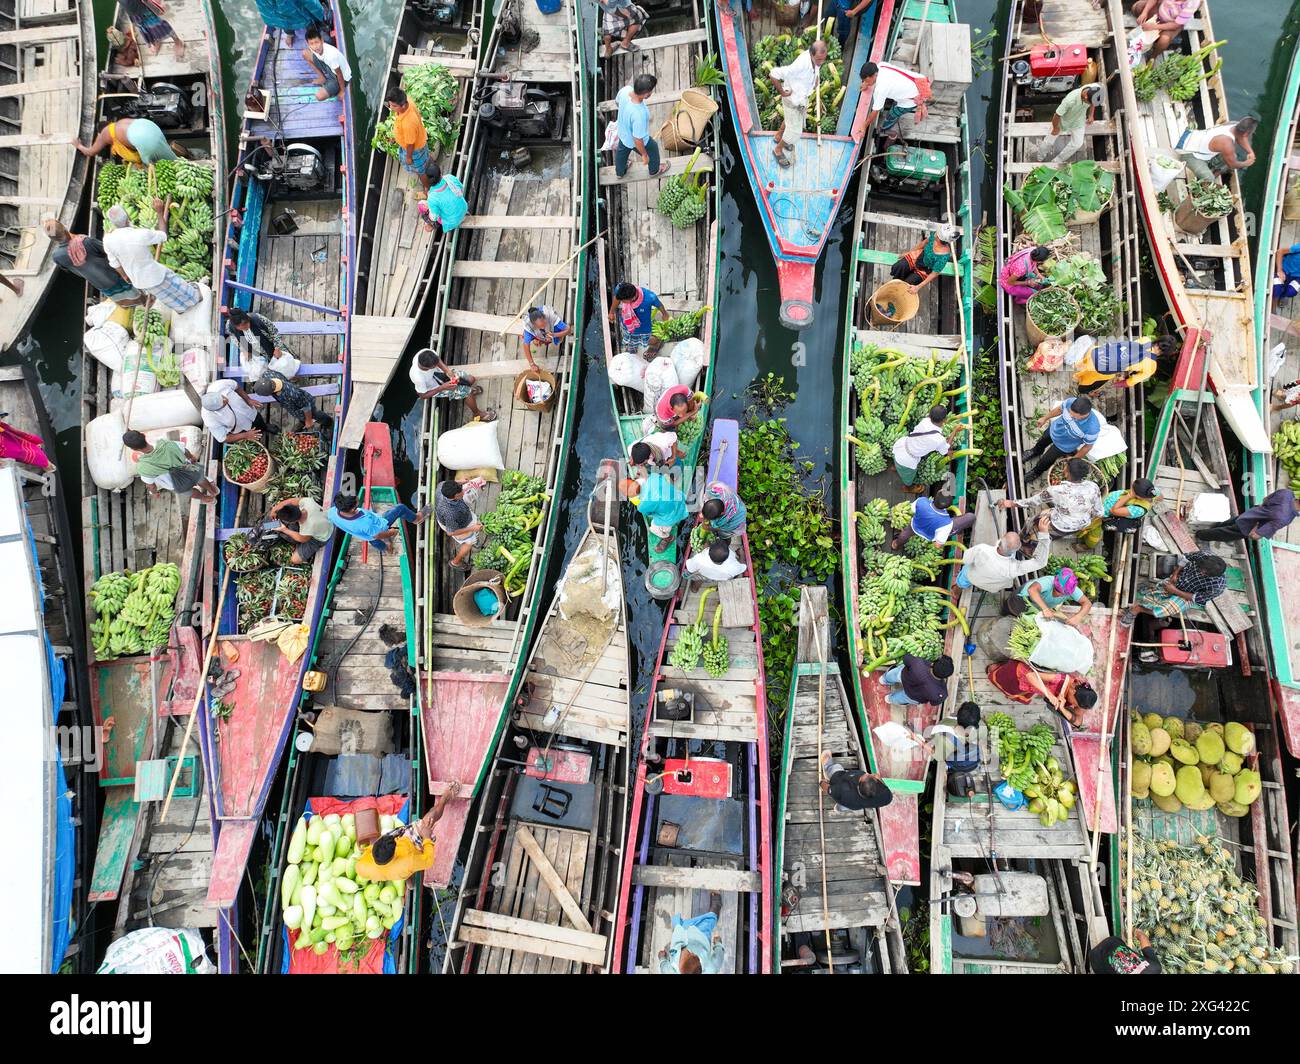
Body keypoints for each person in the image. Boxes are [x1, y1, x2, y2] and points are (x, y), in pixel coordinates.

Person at [102, 203, 202, 313]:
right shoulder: (140, 234)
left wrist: (126, 276)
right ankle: (195, 297)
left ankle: (181, 308)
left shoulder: (107, 240)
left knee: (165, 296)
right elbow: (163, 235)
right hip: (155, 273)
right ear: (128, 218)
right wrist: (159, 212)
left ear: (113, 223)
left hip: (139, 281)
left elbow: (115, 264)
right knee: (175, 285)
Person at [355, 782, 461, 882]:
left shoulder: (362, 868)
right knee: (429, 820)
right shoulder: (409, 861)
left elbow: (368, 852)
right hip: (411, 845)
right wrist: (426, 837)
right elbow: (428, 861)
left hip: (397, 872)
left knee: (403, 872)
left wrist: (367, 848)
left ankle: (408, 879)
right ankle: (444, 799)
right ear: (393, 854)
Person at [42, 216, 144, 305]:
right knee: (133, 292)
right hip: (115, 275)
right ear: (64, 229)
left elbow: (67, 269)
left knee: (119, 299)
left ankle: (131, 304)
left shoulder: (57, 257)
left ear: (53, 239)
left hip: (98, 282)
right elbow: (108, 251)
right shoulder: (86, 242)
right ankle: (144, 301)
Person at [1120, 550, 1227, 627]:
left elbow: (1195, 598)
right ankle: (1152, 590)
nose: (1201, 572)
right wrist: (1175, 574)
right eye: (1201, 569)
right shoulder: (1204, 556)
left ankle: (1137, 609)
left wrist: (1174, 591)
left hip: (1187, 596)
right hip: (1180, 579)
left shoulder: (1217, 587)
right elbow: (1185, 558)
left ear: (1214, 576)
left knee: (1163, 610)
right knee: (1160, 588)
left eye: (1205, 574)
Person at [999, 458, 1102, 537]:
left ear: (1067, 473)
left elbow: (1032, 502)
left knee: (1035, 527)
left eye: (1065, 466)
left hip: (1059, 524)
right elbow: (1099, 512)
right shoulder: (1093, 486)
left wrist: (1011, 503)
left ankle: (1025, 540)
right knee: (1049, 520)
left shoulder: (1056, 490)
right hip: (1080, 524)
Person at [985, 659, 1097, 726]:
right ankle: (1000, 667)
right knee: (1002, 677)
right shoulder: (1061, 679)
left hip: (1036, 687)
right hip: (1026, 674)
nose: (1074, 706)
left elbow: (1077, 722)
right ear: (1073, 690)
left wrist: (1062, 708)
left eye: (1076, 706)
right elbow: (1030, 676)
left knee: (1018, 693)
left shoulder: (1082, 699)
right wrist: (1050, 696)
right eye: (1075, 703)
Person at [770, 39, 828, 168]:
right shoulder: (801, 65)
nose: (821, 62)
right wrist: (782, 92)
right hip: (792, 99)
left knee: (790, 120)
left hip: (801, 98)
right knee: (795, 131)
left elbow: (815, 69)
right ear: (812, 54)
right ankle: (778, 150)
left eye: (823, 59)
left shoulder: (815, 61)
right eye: (819, 60)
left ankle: (779, 135)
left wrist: (815, 79)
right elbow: (774, 74)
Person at [956, 516, 1052, 592]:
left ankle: (957, 590)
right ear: (1018, 548)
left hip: (973, 578)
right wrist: (1044, 535)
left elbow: (966, 559)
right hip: (992, 587)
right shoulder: (1013, 568)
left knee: (965, 571)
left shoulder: (982, 550)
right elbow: (1040, 562)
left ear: (1000, 541)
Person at [123, 430, 218, 501]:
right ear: (143, 435)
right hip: (187, 467)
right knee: (200, 478)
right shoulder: (165, 443)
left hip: (173, 482)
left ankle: (205, 498)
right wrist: (191, 458)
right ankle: (213, 491)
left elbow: (151, 486)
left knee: (189, 492)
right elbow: (185, 451)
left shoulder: (143, 468)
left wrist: (154, 493)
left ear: (133, 449)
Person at [327, 491, 432, 555]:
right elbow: (377, 534)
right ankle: (416, 518)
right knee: (400, 508)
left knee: (377, 543)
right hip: (379, 527)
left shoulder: (332, 512)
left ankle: (388, 550)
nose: (358, 498)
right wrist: (391, 532)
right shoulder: (364, 523)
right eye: (357, 501)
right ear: (352, 509)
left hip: (367, 536)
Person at [1024, 395, 1100, 482]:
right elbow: (1059, 410)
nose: (1070, 417)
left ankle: (1036, 471)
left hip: (1064, 445)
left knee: (1047, 459)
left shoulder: (1092, 428)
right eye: (1069, 414)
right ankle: (1035, 451)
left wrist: (1073, 459)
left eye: (1074, 417)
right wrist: (1045, 418)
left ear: (1084, 415)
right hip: (1055, 429)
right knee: (1042, 441)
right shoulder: (1070, 402)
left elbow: (1087, 447)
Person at [1074, 335, 1180, 394]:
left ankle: (1077, 373)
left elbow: (1128, 353)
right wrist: (1114, 385)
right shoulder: (1152, 367)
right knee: (1093, 381)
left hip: (1097, 352)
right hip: (1101, 368)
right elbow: (1130, 382)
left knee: (1087, 366)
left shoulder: (1145, 339)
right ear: (1166, 354)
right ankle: (1080, 389)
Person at [893, 402, 962, 493]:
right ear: (944, 420)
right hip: (907, 460)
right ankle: (907, 488)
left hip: (901, 446)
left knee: (898, 462)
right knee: (908, 478)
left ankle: (896, 467)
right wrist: (954, 431)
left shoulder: (925, 421)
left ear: (930, 415)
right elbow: (945, 449)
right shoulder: (938, 439)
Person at [409, 348, 494, 421]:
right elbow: (422, 396)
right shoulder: (417, 377)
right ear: (428, 368)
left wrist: (447, 371)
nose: (437, 365)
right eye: (435, 366)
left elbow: (438, 360)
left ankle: (465, 390)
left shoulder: (426, 353)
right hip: (436, 388)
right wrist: (442, 387)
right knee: (468, 393)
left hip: (440, 374)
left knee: (471, 379)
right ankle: (477, 414)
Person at [861, 58, 931, 144]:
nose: (865, 82)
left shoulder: (881, 89)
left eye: (866, 80)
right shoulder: (881, 65)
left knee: (892, 115)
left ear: (874, 75)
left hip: (912, 100)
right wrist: (866, 83)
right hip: (919, 81)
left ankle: (885, 127)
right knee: (894, 99)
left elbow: (875, 110)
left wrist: (864, 126)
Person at [1196, 488, 1300, 544]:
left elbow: (1265, 500)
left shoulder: (1287, 493)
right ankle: (1200, 535)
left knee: (1227, 523)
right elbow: (1254, 535)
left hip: (1249, 514)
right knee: (1223, 534)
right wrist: (1257, 526)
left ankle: (1211, 528)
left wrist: (1261, 512)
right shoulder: (1284, 518)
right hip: (1246, 528)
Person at [614, 73, 668, 179]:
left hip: (622, 132)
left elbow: (617, 102)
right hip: (634, 140)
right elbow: (638, 139)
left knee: (621, 153)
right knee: (653, 148)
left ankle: (620, 172)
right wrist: (644, 155)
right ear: (646, 94)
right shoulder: (639, 114)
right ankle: (654, 170)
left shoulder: (626, 90)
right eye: (651, 91)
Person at [1078, 478, 1158, 548]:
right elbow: (1160, 496)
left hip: (1103, 515)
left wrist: (1129, 495)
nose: (1131, 487)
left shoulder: (1138, 509)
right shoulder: (1151, 491)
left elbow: (1113, 511)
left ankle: (1088, 546)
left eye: (1132, 489)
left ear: (1139, 497)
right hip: (1103, 503)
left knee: (1093, 531)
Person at [658, 892, 726, 974]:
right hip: (701, 936)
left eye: (690, 953)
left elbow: (665, 968)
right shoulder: (709, 970)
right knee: (709, 920)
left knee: (677, 923)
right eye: (696, 956)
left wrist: (662, 959)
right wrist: (718, 944)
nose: (693, 952)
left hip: (680, 937)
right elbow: (718, 959)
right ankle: (716, 905)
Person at [1175, 116, 1256, 183]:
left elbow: (1241, 138)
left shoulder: (1233, 124)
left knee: (1232, 156)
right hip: (1188, 153)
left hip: (1191, 139)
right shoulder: (1227, 144)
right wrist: (1246, 163)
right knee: (1210, 179)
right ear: (1246, 133)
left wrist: (1250, 152)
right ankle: (1209, 175)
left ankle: (1212, 170)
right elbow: (1232, 165)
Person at [1039, 84, 1101, 165]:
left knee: (1077, 144)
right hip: (1063, 123)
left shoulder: (1095, 88)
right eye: (1089, 103)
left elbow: (1093, 103)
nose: (1090, 104)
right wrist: (1055, 128)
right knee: (1048, 142)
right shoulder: (1070, 100)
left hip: (1078, 122)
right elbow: (1057, 114)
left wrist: (1091, 115)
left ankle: (1057, 161)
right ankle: (1039, 158)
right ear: (1085, 97)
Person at [891, 492, 975, 551]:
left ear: (934, 498)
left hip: (915, 526)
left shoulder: (921, 501)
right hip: (929, 536)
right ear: (948, 506)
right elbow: (938, 545)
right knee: (970, 517)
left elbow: (912, 510)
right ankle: (959, 531)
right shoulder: (946, 523)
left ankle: (896, 544)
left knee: (905, 534)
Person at [384, 87, 431, 191]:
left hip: (415, 149)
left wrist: (409, 157)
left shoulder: (409, 123)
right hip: (419, 137)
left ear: (403, 105)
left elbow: (410, 144)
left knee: (421, 171)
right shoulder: (407, 101)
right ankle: (428, 161)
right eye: (390, 104)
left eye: (394, 106)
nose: (391, 107)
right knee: (425, 160)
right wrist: (396, 137)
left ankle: (428, 188)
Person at [890, 224, 959, 295]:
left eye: (938, 236)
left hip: (925, 270)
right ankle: (895, 281)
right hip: (919, 256)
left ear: (942, 240)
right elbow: (924, 243)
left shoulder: (943, 257)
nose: (935, 235)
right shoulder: (935, 235)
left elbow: (934, 273)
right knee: (900, 266)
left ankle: (899, 290)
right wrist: (908, 253)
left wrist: (918, 287)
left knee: (908, 285)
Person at [76, 117, 176, 165]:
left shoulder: (103, 134)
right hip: (149, 126)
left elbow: (91, 152)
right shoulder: (120, 122)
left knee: (152, 168)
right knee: (172, 158)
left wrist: (79, 145)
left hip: (143, 138)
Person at [629, 471, 687, 552]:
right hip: (679, 499)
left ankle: (668, 538)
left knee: (653, 528)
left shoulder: (645, 504)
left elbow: (649, 513)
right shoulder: (655, 478)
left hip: (671, 516)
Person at [819, 752, 893, 813]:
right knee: (844, 807)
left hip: (841, 787)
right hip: (854, 805)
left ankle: (828, 767)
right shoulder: (886, 797)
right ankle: (839, 808)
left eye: (867, 775)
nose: (876, 775)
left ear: (858, 784)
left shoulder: (842, 790)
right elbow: (886, 792)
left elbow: (827, 788)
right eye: (874, 777)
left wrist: (822, 783)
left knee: (834, 769)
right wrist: (879, 779)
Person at [1018, 568, 1094, 627]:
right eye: (1058, 590)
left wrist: (1078, 616)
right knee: (1011, 615)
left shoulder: (1070, 588)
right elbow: (1032, 590)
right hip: (1022, 599)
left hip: (1036, 608)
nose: (1059, 595)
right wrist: (1045, 609)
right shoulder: (1048, 581)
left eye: (1064, 594)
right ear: (1055, 583)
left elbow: (1087, 603)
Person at [267, 496, 333, 564]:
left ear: (292, 522)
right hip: (324, 519)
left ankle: (307, 557)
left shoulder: (307, 529)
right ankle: (266, 526)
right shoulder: (307, 502)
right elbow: (290, 501)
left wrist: (284, 529)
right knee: (274, 525)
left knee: (294, 560)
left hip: (323, 536)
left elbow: (302, 539)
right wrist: (275, 509)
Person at [1132, 0, 1202, 62]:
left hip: (1171, 23)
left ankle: (1153, 56)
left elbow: (1176, 25)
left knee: (1164, 40)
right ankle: (1144, 27)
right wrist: (1145, 12)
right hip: (1160, 8)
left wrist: (1154, 27)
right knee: (1137, 7)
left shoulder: (1193, 3)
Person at [434, 481, 481, 571]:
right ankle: (455, 562)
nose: (463, 492)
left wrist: (463, 481)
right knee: (468, 543)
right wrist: (472, 528)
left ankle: (475, 536)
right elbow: (451, 532)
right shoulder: (450, 513)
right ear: (455, 497)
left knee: (474, 532)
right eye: (461, 492)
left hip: (462, 516)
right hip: (455, 526)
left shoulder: (443, 486)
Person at [609, 280, 666, 352]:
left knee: (647, 340)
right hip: (627, 325)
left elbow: (659, 305)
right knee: (631, 341)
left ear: (632, 298)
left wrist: (665, 314)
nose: (622, 302)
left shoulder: (650, 297)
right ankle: (632, 347)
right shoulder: (621, 288)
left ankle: (657, 342)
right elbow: (617, 298)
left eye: (623, 301)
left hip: (642, 328)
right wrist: (611, 312)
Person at [200, 379, 263, 444]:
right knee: (254, 442)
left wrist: (248, 400)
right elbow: (222, 438)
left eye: (222, 397)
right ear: (216, 410)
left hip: (250, 412)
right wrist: (245, 435)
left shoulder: (218, 385)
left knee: (260, 422)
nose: (225, 400)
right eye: (223, 403)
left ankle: (265, 427)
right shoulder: (209, 418)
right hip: (242, 429)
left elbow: (236, 386)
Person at [252, 369, 318, 430]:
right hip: (293, 406)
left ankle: (326, 422)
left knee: (317, 415)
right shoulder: (267, 374)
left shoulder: (292, 394)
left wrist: (309, 420)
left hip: (306, 405)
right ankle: (303, 420)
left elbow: (306, 405)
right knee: (301, 417)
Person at [881, 653, 952, 707]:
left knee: (893, 675)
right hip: (913, 697)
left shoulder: (918, 664)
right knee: (898, 699)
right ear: (945, 677)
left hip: (903, 677)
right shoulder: (941, 693)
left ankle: (883, 680)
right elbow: (934, 703)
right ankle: (888, 699)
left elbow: (906, 658)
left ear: (932, 664)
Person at [120, 0, 185, 59]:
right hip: (132, 13)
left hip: (144, 9)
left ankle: (178, 42)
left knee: (161, 26)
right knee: (146, 30)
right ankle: (157, 41)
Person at [303, 24, 351, 101]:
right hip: (328, 65)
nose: (315, 46)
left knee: (319, 96)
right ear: (308, 44)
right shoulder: (312, 48)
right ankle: (322, 78)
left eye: (317, 42)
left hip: (339, 77)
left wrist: (342, 91)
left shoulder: (331, 55)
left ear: (322, 41)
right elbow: (312, 52)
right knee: (305, 53)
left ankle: (335, 88)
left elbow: (339, 74)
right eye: (311, 43)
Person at [1088, 929, 1161, 974]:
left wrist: (1133, 931)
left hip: (1111, 941)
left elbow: (1142, 937)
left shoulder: (1156, 967)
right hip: (1096, 958)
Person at [253, 0, 325, 44]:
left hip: (280, 19)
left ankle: (290, 34)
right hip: (299, 16)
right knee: (310, 25)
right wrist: (322, 16)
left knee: (284, 22)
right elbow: (311, 4)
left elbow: (264, 10)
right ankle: (312, 39)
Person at [521, 305, 569, 369]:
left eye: (544, 324)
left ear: (545, 318)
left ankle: (548, 337)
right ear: (534, 325)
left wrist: (554, 335)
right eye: (540, 326)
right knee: (529, 338)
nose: (543, 327)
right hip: (539, 333)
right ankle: (539, 339)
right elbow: (526, 345)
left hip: (553, 331)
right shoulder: (529, 327)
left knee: (559, 337)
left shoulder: (551, 317)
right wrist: (532, 364)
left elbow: (568, 330)